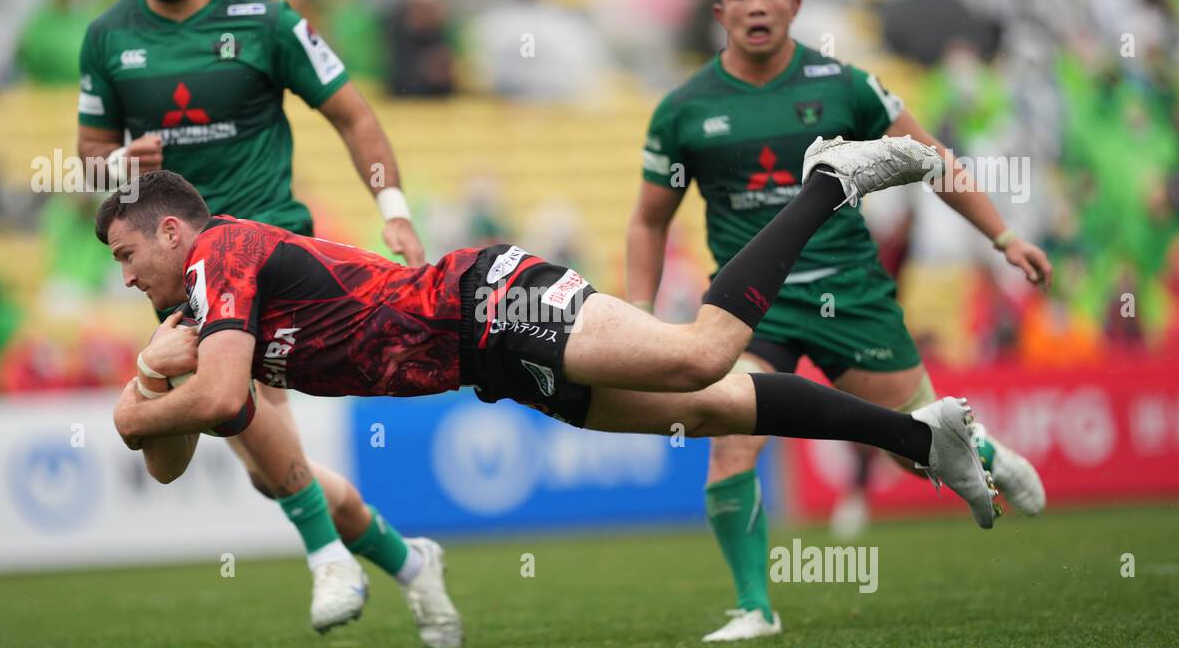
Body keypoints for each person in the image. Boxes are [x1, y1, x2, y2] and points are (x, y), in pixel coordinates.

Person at [99, 140, 1004, 561]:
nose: (126, 277)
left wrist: (131, 411)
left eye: (127, 255)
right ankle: (925, 443)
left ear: (173, 232)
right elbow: (176, 460)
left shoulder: (224, 256)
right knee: (715, 404)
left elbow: (217, 406)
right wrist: (147, 380)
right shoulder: (200, 314)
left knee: (701, 357)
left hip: (487, 299)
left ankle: (826, 181)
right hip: (487, 360)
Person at [627, 0, 1052, 643]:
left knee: (908, 448)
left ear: (794, 5)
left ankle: (987, 457)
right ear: (718, 9)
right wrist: (638, 315)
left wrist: (1003, 237)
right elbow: (647, 220)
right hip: (747, 310)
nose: (756, 6)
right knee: (730, 437)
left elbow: (930, 160)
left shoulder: (844, 86)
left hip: (850, 293)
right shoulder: (683, 109)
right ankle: (755, 608)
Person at [77, 0, 458, 646]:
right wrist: (119, 161)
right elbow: (89, 167)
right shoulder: (107, 38)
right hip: (178, 270)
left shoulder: (266, 21)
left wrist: (394, 210)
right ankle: (406, 559)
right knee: (264, 459)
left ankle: (329, 557)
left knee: (244, 412)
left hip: (269, 247)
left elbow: (353, 114)